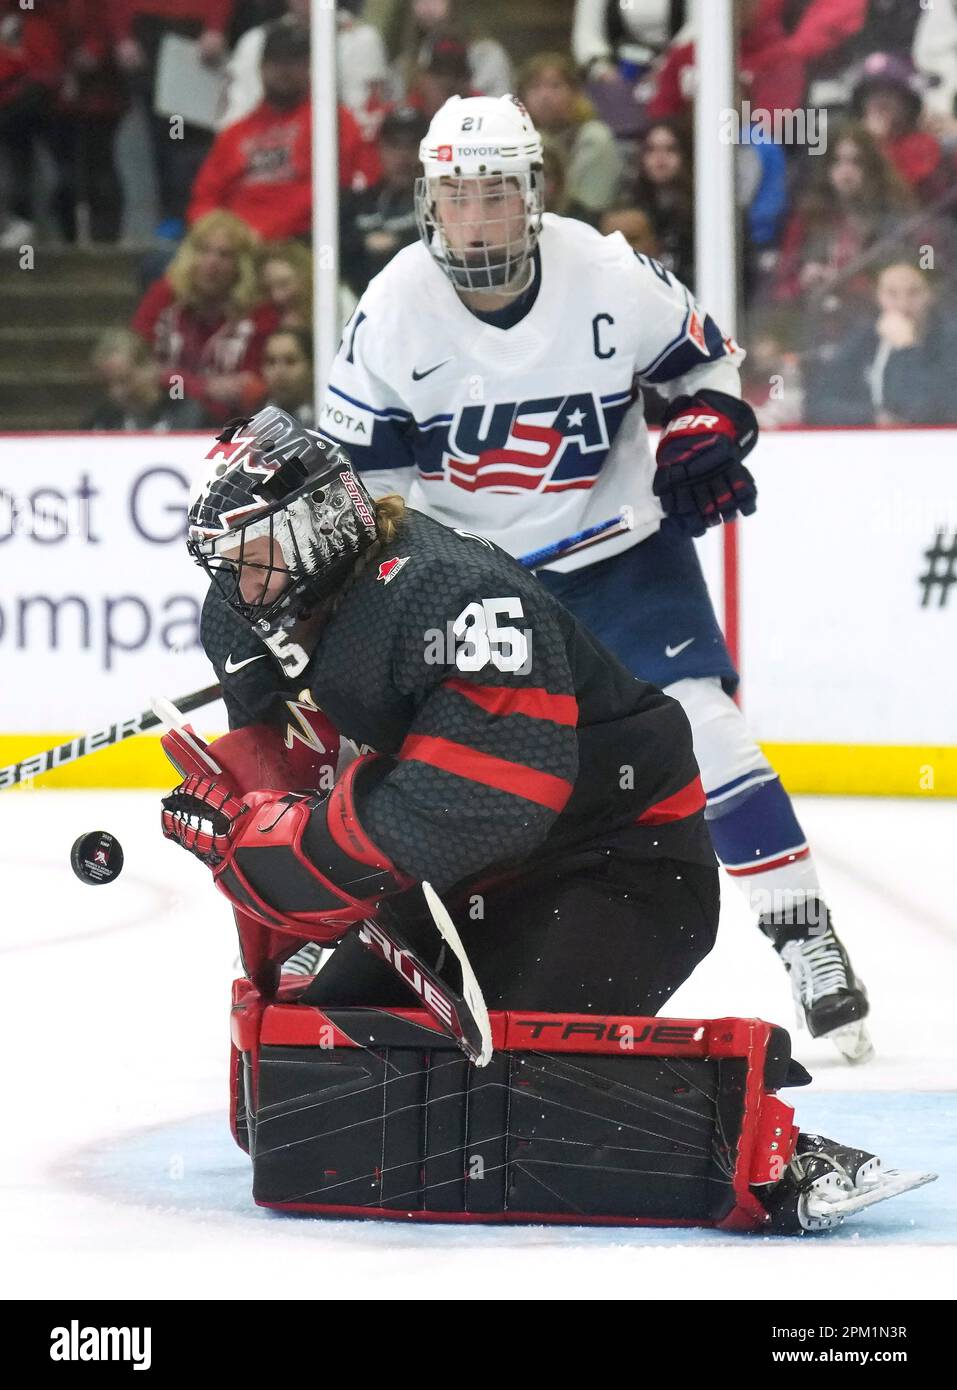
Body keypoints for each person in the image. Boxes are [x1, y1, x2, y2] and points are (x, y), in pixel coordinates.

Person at [160, 404, 925, 1231]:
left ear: (318, 532)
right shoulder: (248, 611)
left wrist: (290, 852)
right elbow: (287, 773)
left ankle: (775, 1155)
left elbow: (481, 805)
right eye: (227, 562)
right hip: (466, 883)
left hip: (621, 863)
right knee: (312, 1087)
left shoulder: (452, 596)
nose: (237, 583)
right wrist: (250, 841)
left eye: (255, 558)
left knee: (506, 1101)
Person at [318, 94, 873, 1064]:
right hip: (474, 587)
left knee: (707, 731)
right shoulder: (394, 311)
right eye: (458, 196)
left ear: (532, 193)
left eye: (495, 192)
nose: (478, 217)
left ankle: (805, 937)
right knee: (450, 789)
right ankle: (414, 963)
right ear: (427, 202)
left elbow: (709, 372)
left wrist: (706, 428)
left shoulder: (607, 273)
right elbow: (369, 499)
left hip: (616, 554)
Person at [188, 20, 376, 242]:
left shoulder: (334, 121)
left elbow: (356, 186)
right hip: (236, 246)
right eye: (277, 63)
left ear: (308, 67)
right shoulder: (234, 134)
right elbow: (204, 200)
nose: (284, 71)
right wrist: (219, 236)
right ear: (261, 67)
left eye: (294, 62)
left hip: (303, 242)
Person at [132, 209, 277, 423]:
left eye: (224, 255)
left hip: (237, 427)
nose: (211, 262)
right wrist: (204, 388)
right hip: (163, 420)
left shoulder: (259, 311)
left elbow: (252, 391)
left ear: (241, 265)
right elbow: (137, 368)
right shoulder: (164, 296)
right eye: (203, 251)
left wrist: (170, 378)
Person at [804, 260, 957, 426]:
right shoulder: (866, 337)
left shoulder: (948, 340)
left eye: (913, 293)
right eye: (892, 294)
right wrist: (872, 417)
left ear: (929, 295)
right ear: (878, 296)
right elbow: (817, 404)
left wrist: (907, 349)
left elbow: (931, 409)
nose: (903, 305)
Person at [518, 52, 622, 224]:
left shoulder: (592, 137)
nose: (545, 96)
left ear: (575, 93)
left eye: (555, 86)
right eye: (535, 87)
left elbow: (592, 208)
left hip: (583, 224)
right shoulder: (515, 138)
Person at [339, 105, 427, 297]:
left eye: (413, 144)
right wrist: (363, 244)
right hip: (361, 305)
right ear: (379, 149)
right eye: (394, 145)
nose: (403, 155)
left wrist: (396, 242)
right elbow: (329, 252)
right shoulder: (356, 204)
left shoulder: (441, 204)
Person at [86, 328, 208, 430]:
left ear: (150, 367)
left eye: (125, 380)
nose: (116, 392)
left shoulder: (187, 415)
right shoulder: (101, 423)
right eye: (107, 384)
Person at [260, 326, 314, 422]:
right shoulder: (251, 422)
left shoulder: (325, 420)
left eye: (290, 361)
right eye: (271, 362)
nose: (279, 371)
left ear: (311, 367)